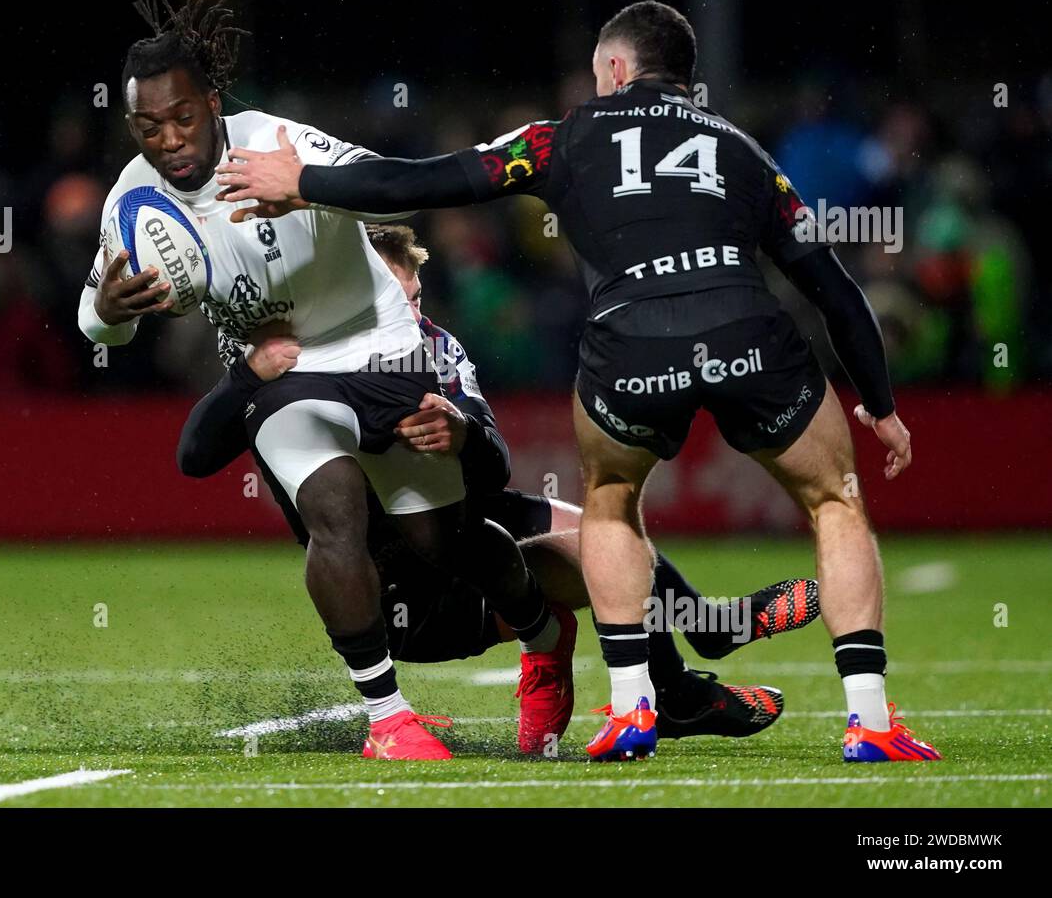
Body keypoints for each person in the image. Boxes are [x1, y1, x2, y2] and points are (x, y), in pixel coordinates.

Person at [213, 1, 941, 764]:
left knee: (610, 503)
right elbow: (832, 287)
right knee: (836, 500)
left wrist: (307, 181)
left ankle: (633, 710)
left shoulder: (561, 138)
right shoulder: (743, 151)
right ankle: (869, 720)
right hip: (744, 329)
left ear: (616, 68)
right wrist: (881, 406)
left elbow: (428, 180)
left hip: (630, 341)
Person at [78, 0, 559, 761]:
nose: (166, 138)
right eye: (146, 125)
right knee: (335, 511)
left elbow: (394, 187)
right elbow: (95, 318)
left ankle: (544, 636)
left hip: (376, 344)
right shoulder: (131, 201)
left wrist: (305, 186)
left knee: (445, 541)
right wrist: (111, 308)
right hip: (284, 372)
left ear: (214, 100)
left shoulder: (279, 143)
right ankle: (390, 720)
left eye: (181, 116)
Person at [178, 223, 823, 752]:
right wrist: (244, 378)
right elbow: (194, 456)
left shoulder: (435, 348)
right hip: (413, 596)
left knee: (609, 536)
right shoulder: (294, 364)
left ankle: (700, 639)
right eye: (395, 299)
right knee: (574, 556)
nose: (411, 313)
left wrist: (461, 435)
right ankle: (664, 670)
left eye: (417, 296)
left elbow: (494, 465)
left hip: (470, 522)